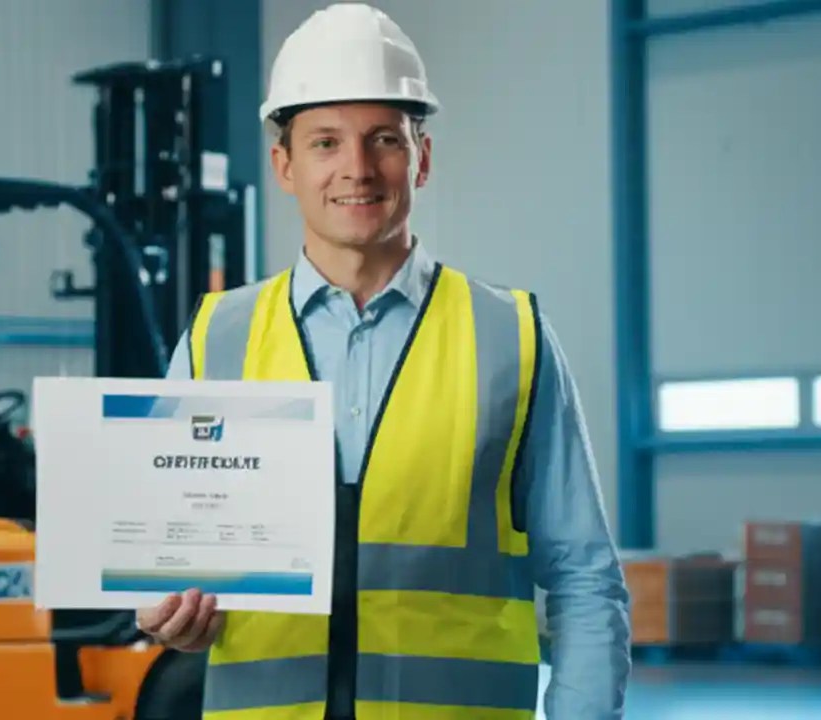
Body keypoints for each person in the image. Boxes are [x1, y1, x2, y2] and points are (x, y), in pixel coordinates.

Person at [136, 3, 631, 718]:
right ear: (284, 164)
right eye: (326, 142)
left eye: (383, 140)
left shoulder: (510, 338)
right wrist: (164, 614)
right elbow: (161, 560)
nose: (357, 170)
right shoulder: (218, 338)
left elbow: (584, 579)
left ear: (421, 158)